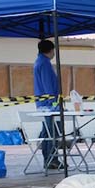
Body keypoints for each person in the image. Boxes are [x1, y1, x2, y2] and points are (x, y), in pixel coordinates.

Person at [33, 39, 61, 170]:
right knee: (52, 132)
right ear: (50, 50)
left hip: (43, 103)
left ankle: (49, 158)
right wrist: (54, 102)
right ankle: (51, 159)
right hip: (49, 104)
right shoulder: (44, 64)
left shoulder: (39, 62)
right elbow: (48, 85)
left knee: (47, 132)